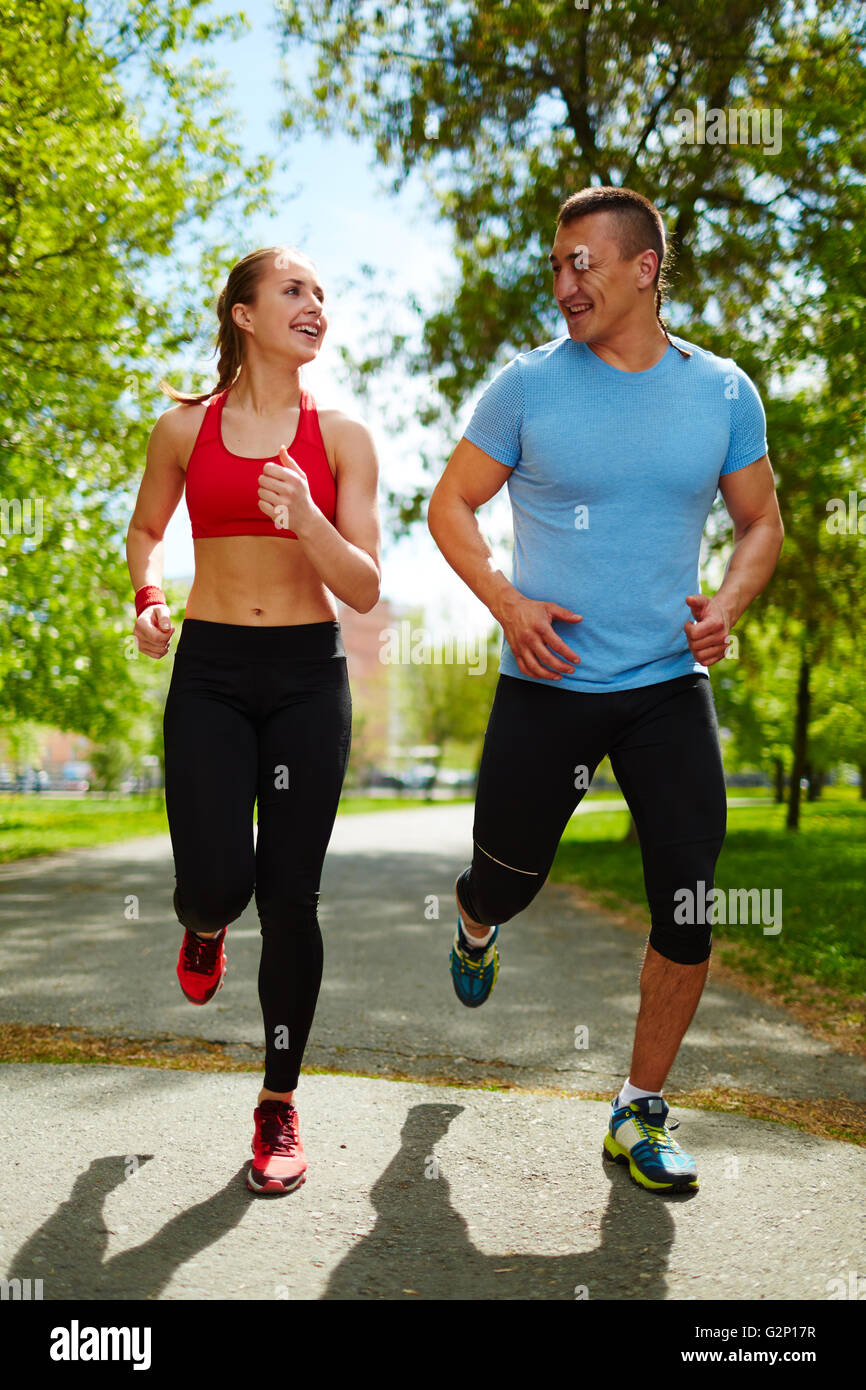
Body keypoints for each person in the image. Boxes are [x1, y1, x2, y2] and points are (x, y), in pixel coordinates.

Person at [427, 186, 783, 1194]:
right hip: (548, 680)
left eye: (579, 262)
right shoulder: (527, 387)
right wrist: (507, 603)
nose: (562, 283)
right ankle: (476, 919)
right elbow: (449, 504)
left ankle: (639, 1110)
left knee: (688, 900)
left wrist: (726, 605)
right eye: (554, 265)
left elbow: (760, 521)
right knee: (507, 879)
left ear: (643, 268)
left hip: (668, 683)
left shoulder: (722, 393)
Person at [126, 245, 381, 1194]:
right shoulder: (182, 430)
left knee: (291, 900)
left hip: (309, 677)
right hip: (211, 673)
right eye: (294, 291)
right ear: (243, 314)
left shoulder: (343, 437)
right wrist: (149, 598)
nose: (316, 305)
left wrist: (309, 518)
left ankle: (278, 1105)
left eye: (322, 293)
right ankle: (203, 925)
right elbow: (146, 530)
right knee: (215, 887)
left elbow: (364, 585)